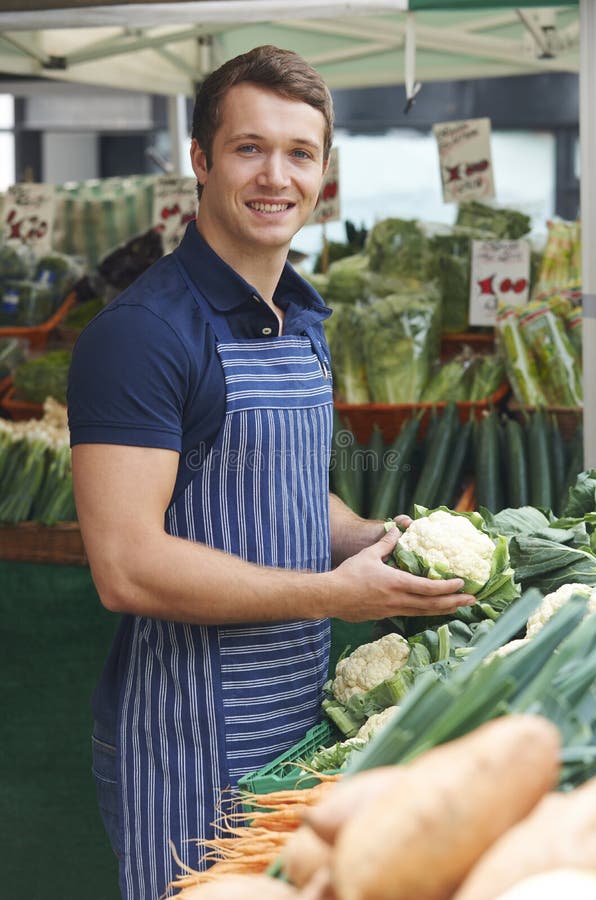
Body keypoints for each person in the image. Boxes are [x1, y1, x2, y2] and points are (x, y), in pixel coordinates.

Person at [67, 44, 474, 899]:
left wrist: (374, 539)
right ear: (202, 160)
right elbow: (127, 565)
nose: (275, 176)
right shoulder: (143, 333)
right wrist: (337, 594)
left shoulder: (301, 319)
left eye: (300, 153)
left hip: (301, 724)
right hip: (184, 743)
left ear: (324, 173)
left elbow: (278, 491)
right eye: (250, 148)